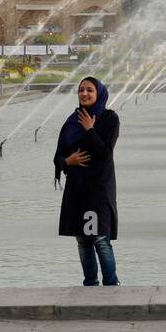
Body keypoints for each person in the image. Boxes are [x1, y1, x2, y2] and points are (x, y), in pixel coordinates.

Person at [54, 77, 121, 286]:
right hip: (77, 188)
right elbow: (58, 156)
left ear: (99, 93)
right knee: (83, 239)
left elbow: (104, 153)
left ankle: (111, 283)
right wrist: (68, 161)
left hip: (98, 189)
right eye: (81, 90)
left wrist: (90, 129)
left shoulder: (109, 119)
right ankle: (90, 284)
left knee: (100, 238)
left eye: (89, 90)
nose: (84, 94)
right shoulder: (71, 121)